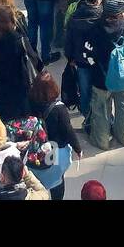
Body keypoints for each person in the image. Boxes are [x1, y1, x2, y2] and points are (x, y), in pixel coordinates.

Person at [88, 0, 124, 150]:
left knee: (101, 110)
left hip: (101, 76)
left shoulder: (95, 27)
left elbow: (90, 51)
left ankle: (102, 140)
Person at [26, 70, 81, 199]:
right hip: (56, 151)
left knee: (37, 182)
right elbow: (68, 131)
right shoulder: (59, 108)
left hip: (36, 151)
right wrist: (77, 148)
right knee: (57, 181)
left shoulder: (29, 103)